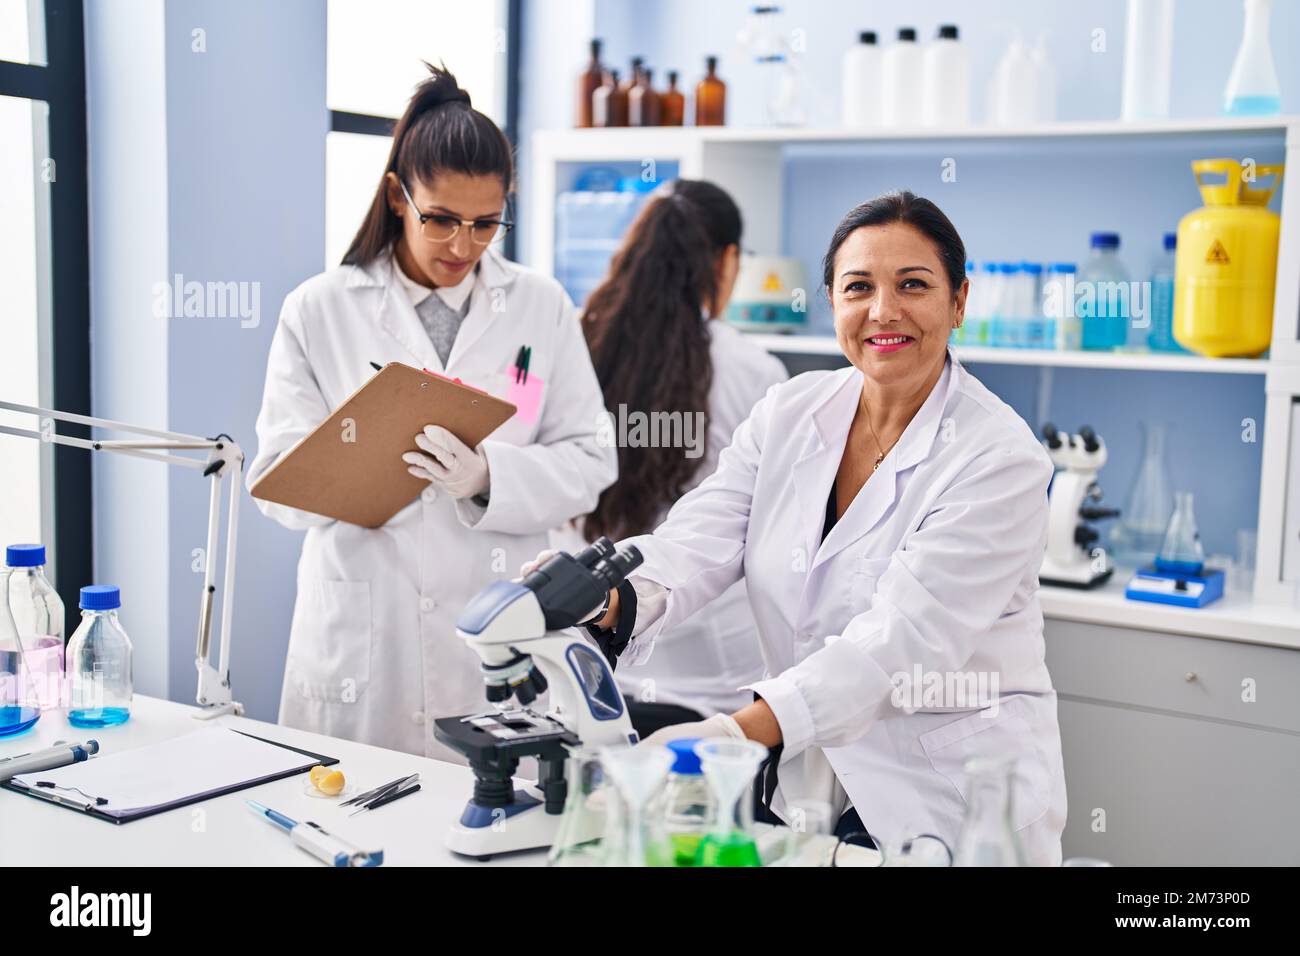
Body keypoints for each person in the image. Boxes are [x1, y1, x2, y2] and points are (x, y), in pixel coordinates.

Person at [529, 191, 1067, 864]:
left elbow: (900, 645)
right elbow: (700, 537)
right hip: (816, 790)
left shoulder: (998, 458)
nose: (883, 311)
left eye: (913, 286)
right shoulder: (791, 411)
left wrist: (733, 733)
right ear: (832, 302)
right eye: (858, 287)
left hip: (952, 799)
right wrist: (610, 595)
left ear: (959, 301)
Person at [248, 66, 616, 760]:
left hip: (498, 620)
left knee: (493, 829)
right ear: (397, 196)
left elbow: (592, 459)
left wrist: (487, 477)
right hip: (364, 634)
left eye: (485, 223)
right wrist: (356, 464)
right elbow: (276, 479)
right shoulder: (320, 309)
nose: (462, 246)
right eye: (440, 219)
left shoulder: (539, 306)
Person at [552, 180, 788, 738]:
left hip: (591, 653)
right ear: (727, 260)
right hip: (713, 677)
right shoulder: (752, 369)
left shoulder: (583, 343)